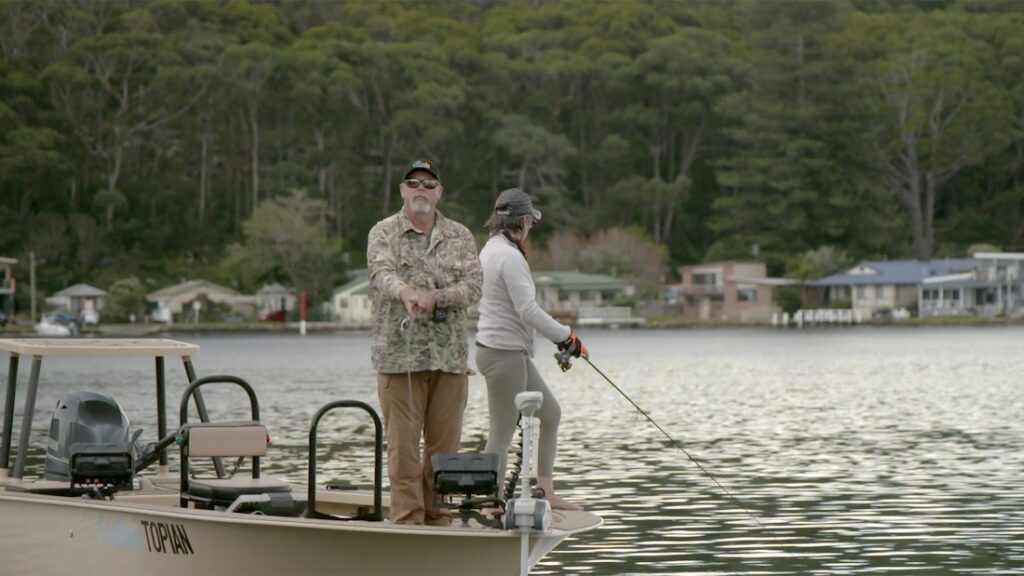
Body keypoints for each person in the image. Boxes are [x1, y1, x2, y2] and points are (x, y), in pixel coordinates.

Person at [366, 160, 483, 525]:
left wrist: (437, 297)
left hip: (450, 360)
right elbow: (380, 273)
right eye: (413, 183)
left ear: (439, 192)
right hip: (400, 359)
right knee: (403, 451)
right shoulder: (384, 232)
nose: (421, 189)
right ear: (402, 190)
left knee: (444, 451)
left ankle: (438, 521)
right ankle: (407, 522)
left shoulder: (460, 235)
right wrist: (406, 294)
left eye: (429, 184)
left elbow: (474, 286)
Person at [475, 187, 587, 511]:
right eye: (531, 222)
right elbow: (528, 310)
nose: (531, 228)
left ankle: (545, 491)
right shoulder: (507, 256)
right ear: (523, 220)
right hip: (501, 354)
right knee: (502, 430)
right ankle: (489, 500)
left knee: (549, 413)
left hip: (509, 353)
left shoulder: (493, 249)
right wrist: (567, 337)